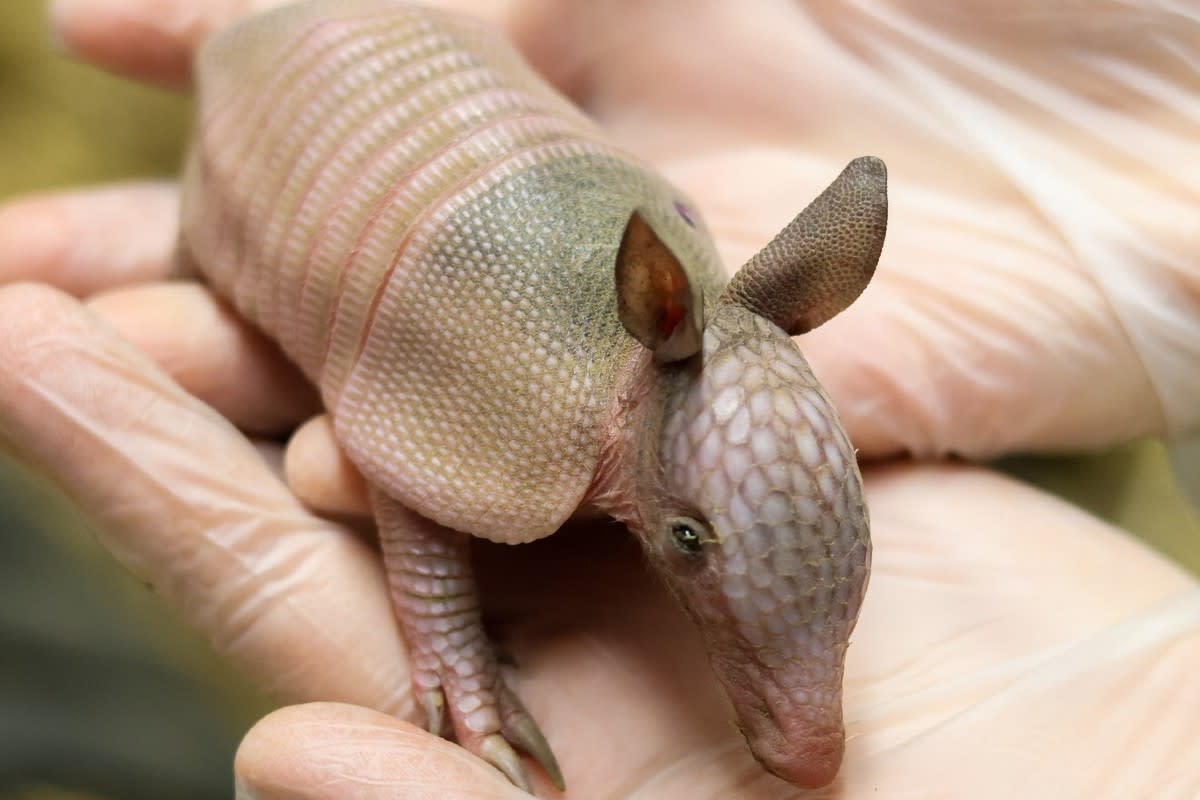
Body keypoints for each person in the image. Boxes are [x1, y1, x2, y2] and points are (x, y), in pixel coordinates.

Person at [1, 0, 1198, 796]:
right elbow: (403, 471)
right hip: (296, 124)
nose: (813, 735)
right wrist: (450, 646)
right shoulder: (588, 332)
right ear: (661, 305)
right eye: (684, 536)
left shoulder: (687, 298)